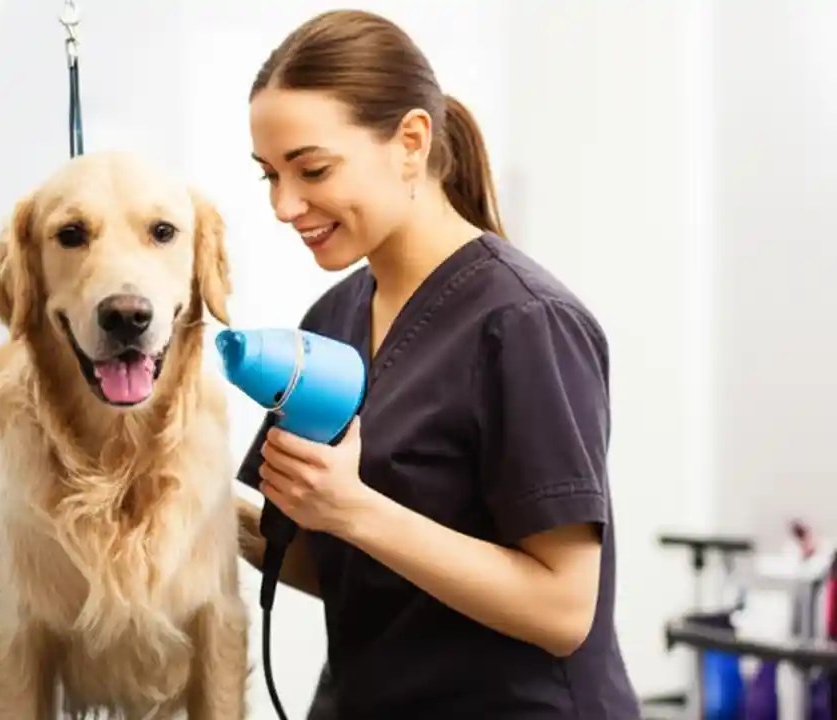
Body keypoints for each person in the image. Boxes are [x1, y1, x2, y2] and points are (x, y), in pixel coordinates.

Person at [235, 9, 641, 719]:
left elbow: (562, 608)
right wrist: (176, 504)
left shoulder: (524, 323)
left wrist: (355, 512)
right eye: (269, 175)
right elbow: (325, 564)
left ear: (411, 142)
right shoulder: (330, 324)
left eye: (312, 169)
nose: (283, 204)